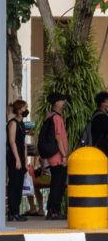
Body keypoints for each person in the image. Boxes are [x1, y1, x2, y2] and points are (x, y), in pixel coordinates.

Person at [42, 92, 70, 221]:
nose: (64, 102)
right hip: (58, 156)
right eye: (63, 100)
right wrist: (64, 156)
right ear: (57, 103)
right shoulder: (56, 118)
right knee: (58, 184)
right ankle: (54, 211)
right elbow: (58, 137)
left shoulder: (49, 116)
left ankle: (52, 211)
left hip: (53, 156)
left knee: (56, 183)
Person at [6, 99, 29, 222]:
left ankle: (16, 211)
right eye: (25, 108)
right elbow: (12, 141)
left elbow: (23, 144)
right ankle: (12, 211)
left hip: (20, 156)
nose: (26, 110)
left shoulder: (22, 123)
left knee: (19, 185)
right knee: (14, 184)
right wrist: (17, 159)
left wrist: (25, 160)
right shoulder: (13, 123)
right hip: (14, 157)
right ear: (19, 109)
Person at [85, 91, 108, 155]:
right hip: (101, 150)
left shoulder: (96, 114)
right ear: (102, 103)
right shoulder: (102, 117)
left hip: (97, 149)